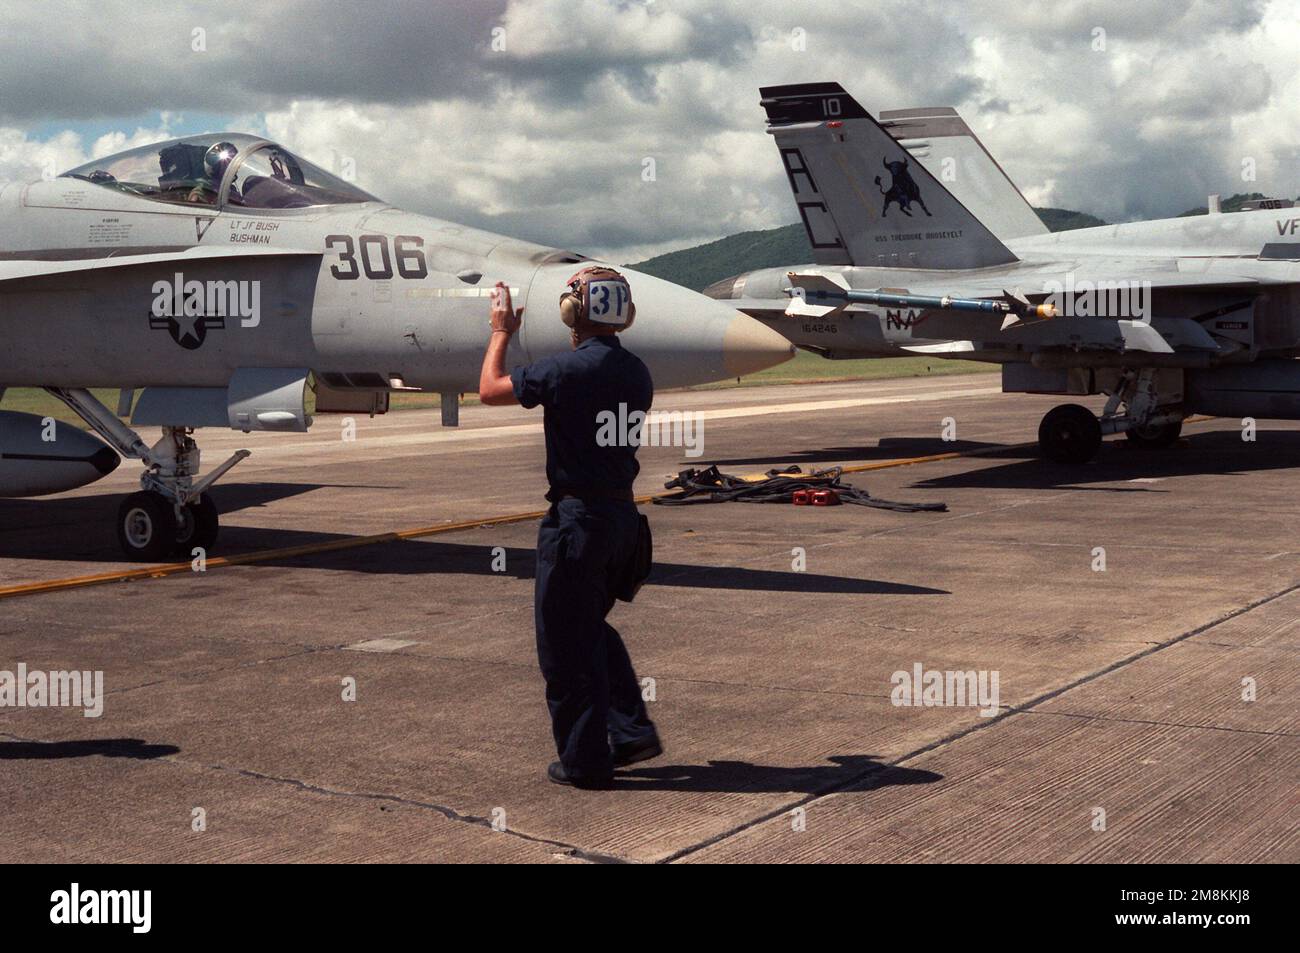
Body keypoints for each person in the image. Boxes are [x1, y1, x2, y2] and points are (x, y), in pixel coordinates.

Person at [478, 267, 662, 789]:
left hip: (578, 524)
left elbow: (489, 390)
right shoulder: (638, 373)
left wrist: (500, 332)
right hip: (623, 522)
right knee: (590, 629)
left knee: (562, 647)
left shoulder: (563, 371)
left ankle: (584, 763)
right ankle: (630, 731)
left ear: (571, 314)